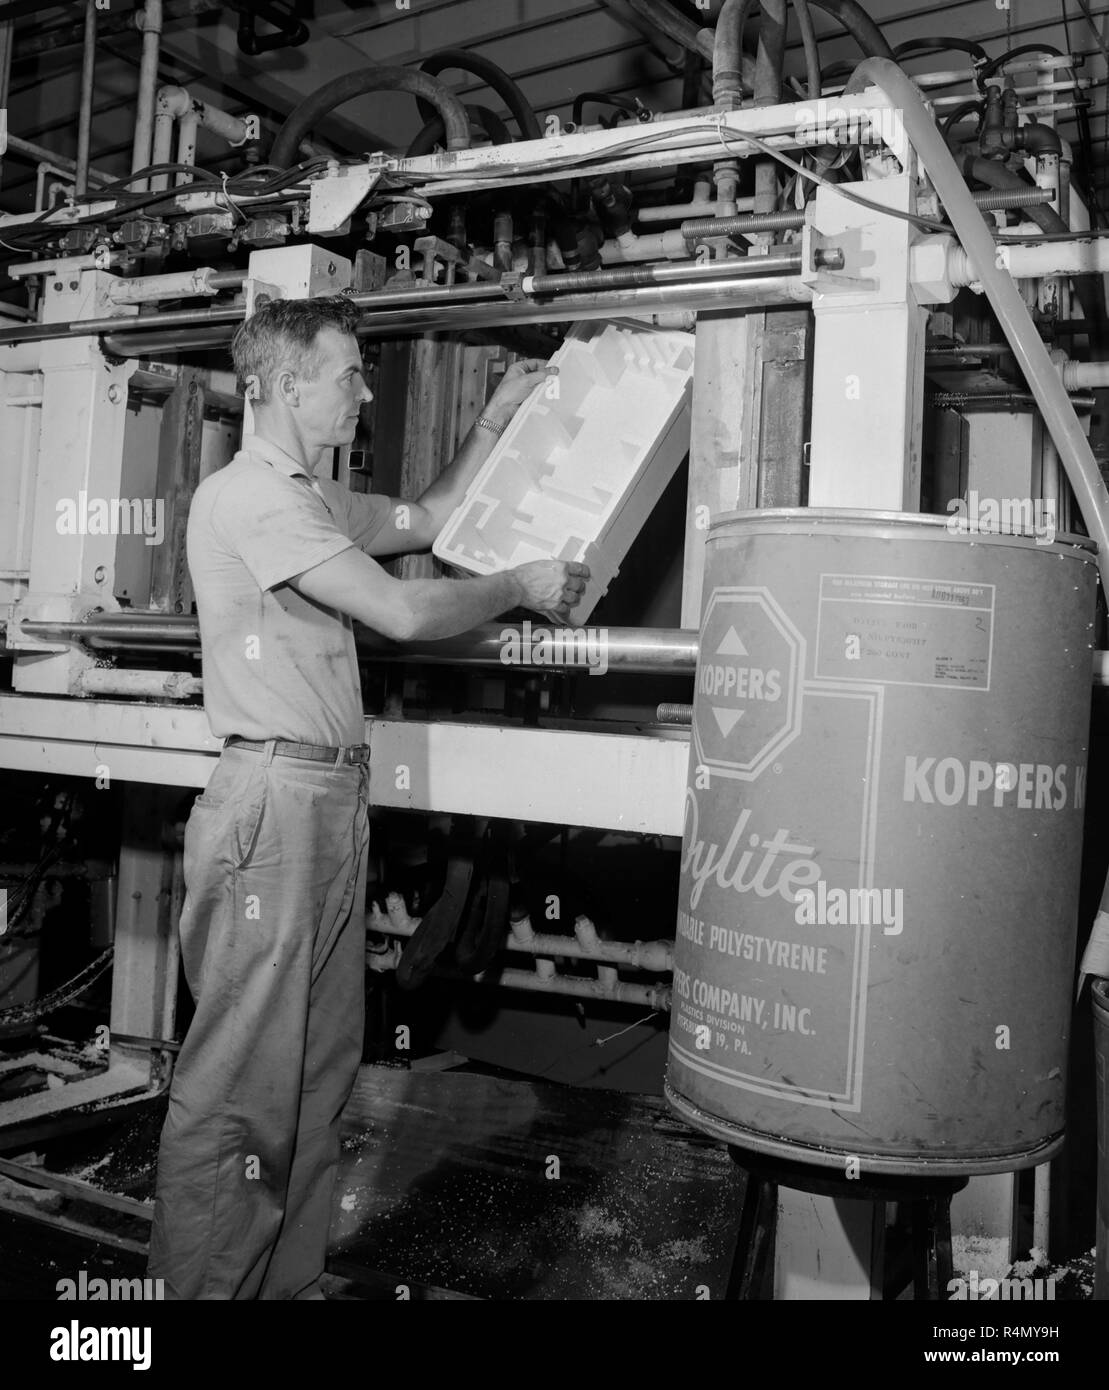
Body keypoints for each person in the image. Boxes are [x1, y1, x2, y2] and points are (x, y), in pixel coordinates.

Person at [147, 295, 588, 1299]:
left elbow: (422, 522)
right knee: (240, 1094)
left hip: (329, 802)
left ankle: (284, 1284)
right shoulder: (250, 497)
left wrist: (493, 416)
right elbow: (397, 607)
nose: (365, 386)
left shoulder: (309, 499)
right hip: (274, 802)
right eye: (349, 370)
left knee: (314, 1075)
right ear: (288, 381)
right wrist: (517, 586)